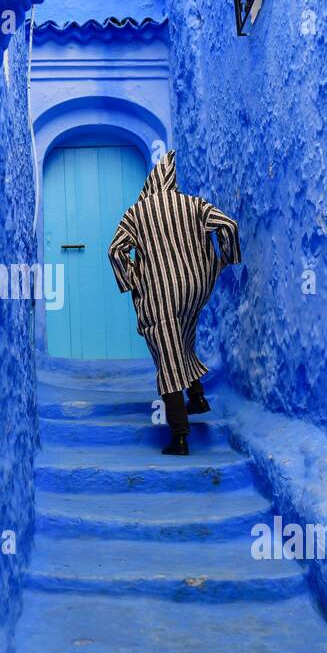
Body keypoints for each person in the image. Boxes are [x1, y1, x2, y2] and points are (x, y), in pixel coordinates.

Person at [107, 150, 241, 455]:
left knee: (167, 356)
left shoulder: (136, 212)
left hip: (160, 293)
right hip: (196, 289)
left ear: (151, 182)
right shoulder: (194, 205)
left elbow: (115, 251)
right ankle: (198, 397)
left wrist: (132, 281)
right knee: (183, 339)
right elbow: (228, 225)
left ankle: (180, 436)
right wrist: (227, 259)